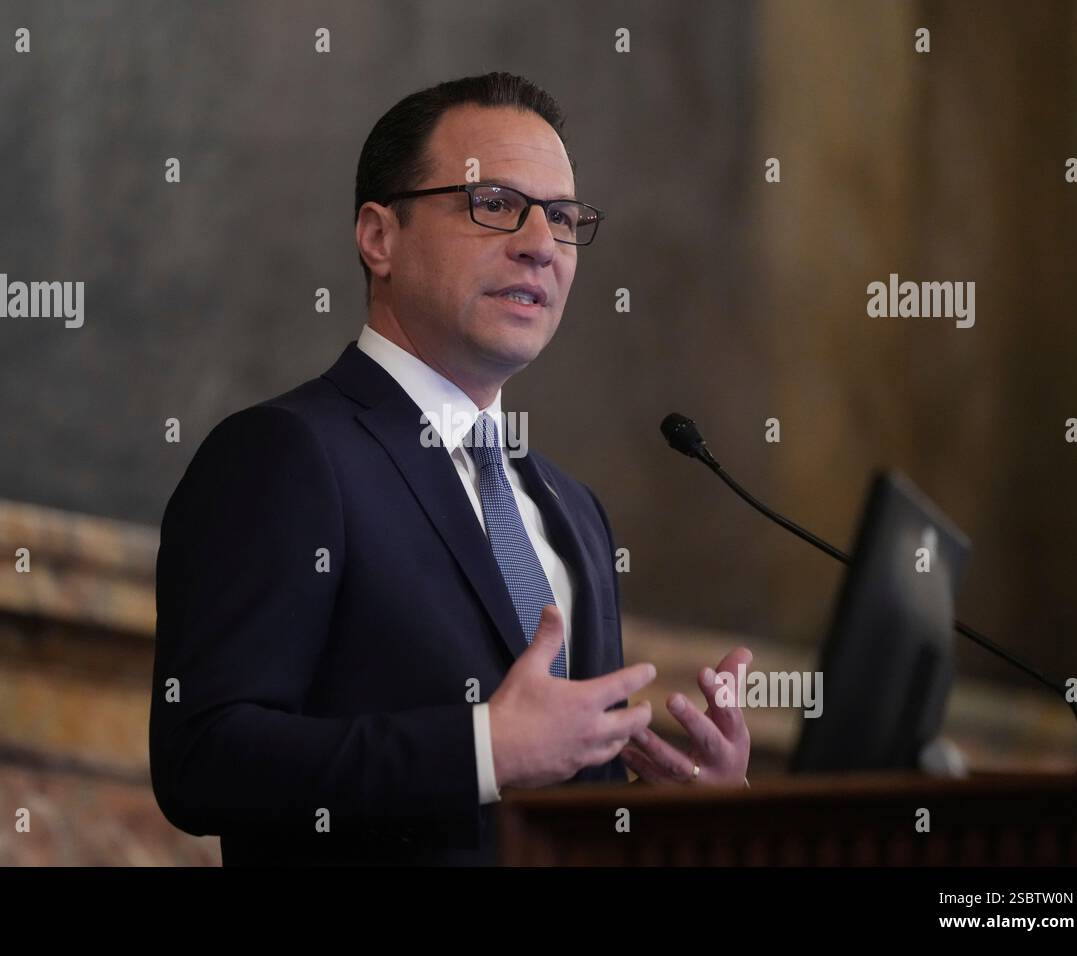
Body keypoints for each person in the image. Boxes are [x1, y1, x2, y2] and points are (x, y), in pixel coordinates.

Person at [150, 72, 751, 866]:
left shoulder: (575, 514)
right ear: (379, 237)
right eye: (494, 203)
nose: (541, 243)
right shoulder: (286, 455)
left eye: (564, 218)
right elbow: (203, 758)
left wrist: (674, 818)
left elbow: (561, 807)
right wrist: (480, 751)